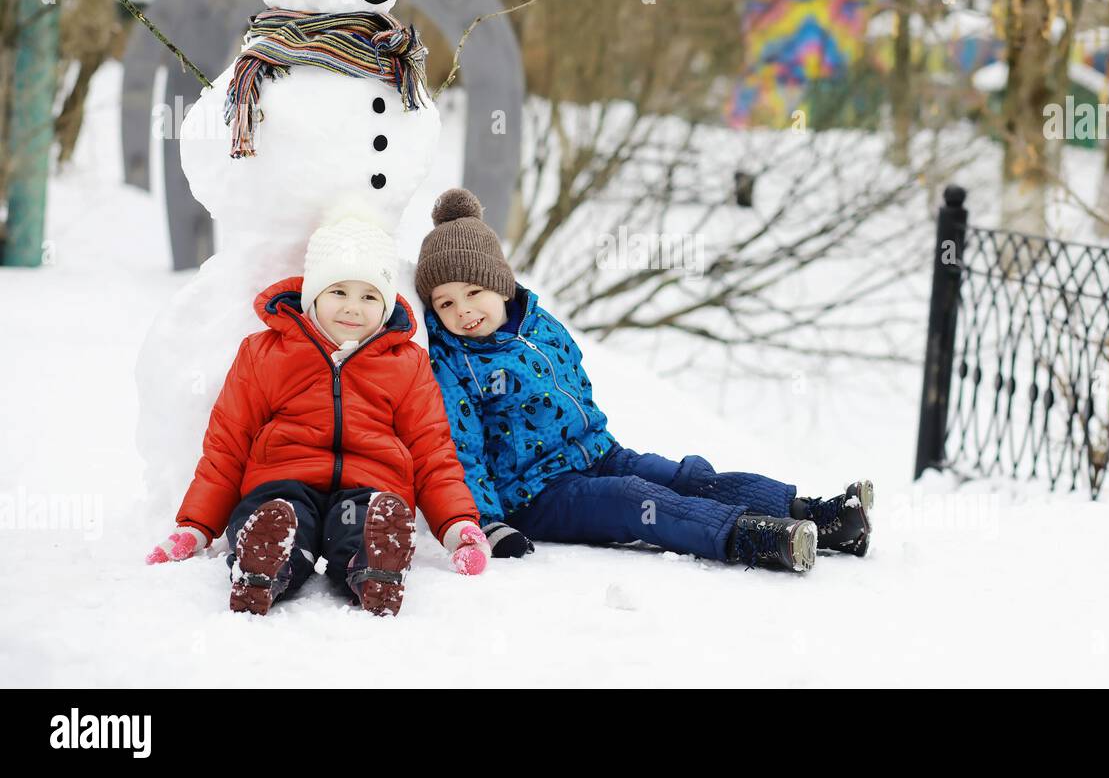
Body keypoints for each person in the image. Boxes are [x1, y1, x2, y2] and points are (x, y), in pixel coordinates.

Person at [414, 188, 873, 574]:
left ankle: (815, 516)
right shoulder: (456, 362)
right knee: (634, 499)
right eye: (445, 304)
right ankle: (758, 539)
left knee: (681, 475)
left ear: (501, 285)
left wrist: (596, 440)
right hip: (535, 494)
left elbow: (573, 379)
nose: (463, 312)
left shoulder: (538, 323)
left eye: (473, 293)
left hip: (598, 452)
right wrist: (490, 522)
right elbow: (462, 450)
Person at [146, 213, 489, 615]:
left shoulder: (406, 363)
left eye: (369, 296)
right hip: (283, 481)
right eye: (338, 291)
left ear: (386, 303)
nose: (353, 308)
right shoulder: (265, 353)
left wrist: (457, 526)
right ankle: (265, 565)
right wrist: (196, 526)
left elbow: (432, 451)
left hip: (369, 485)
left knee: (365, 521)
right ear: (312, 295)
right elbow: (228, 445)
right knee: (278, 515)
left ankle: (375, 566)